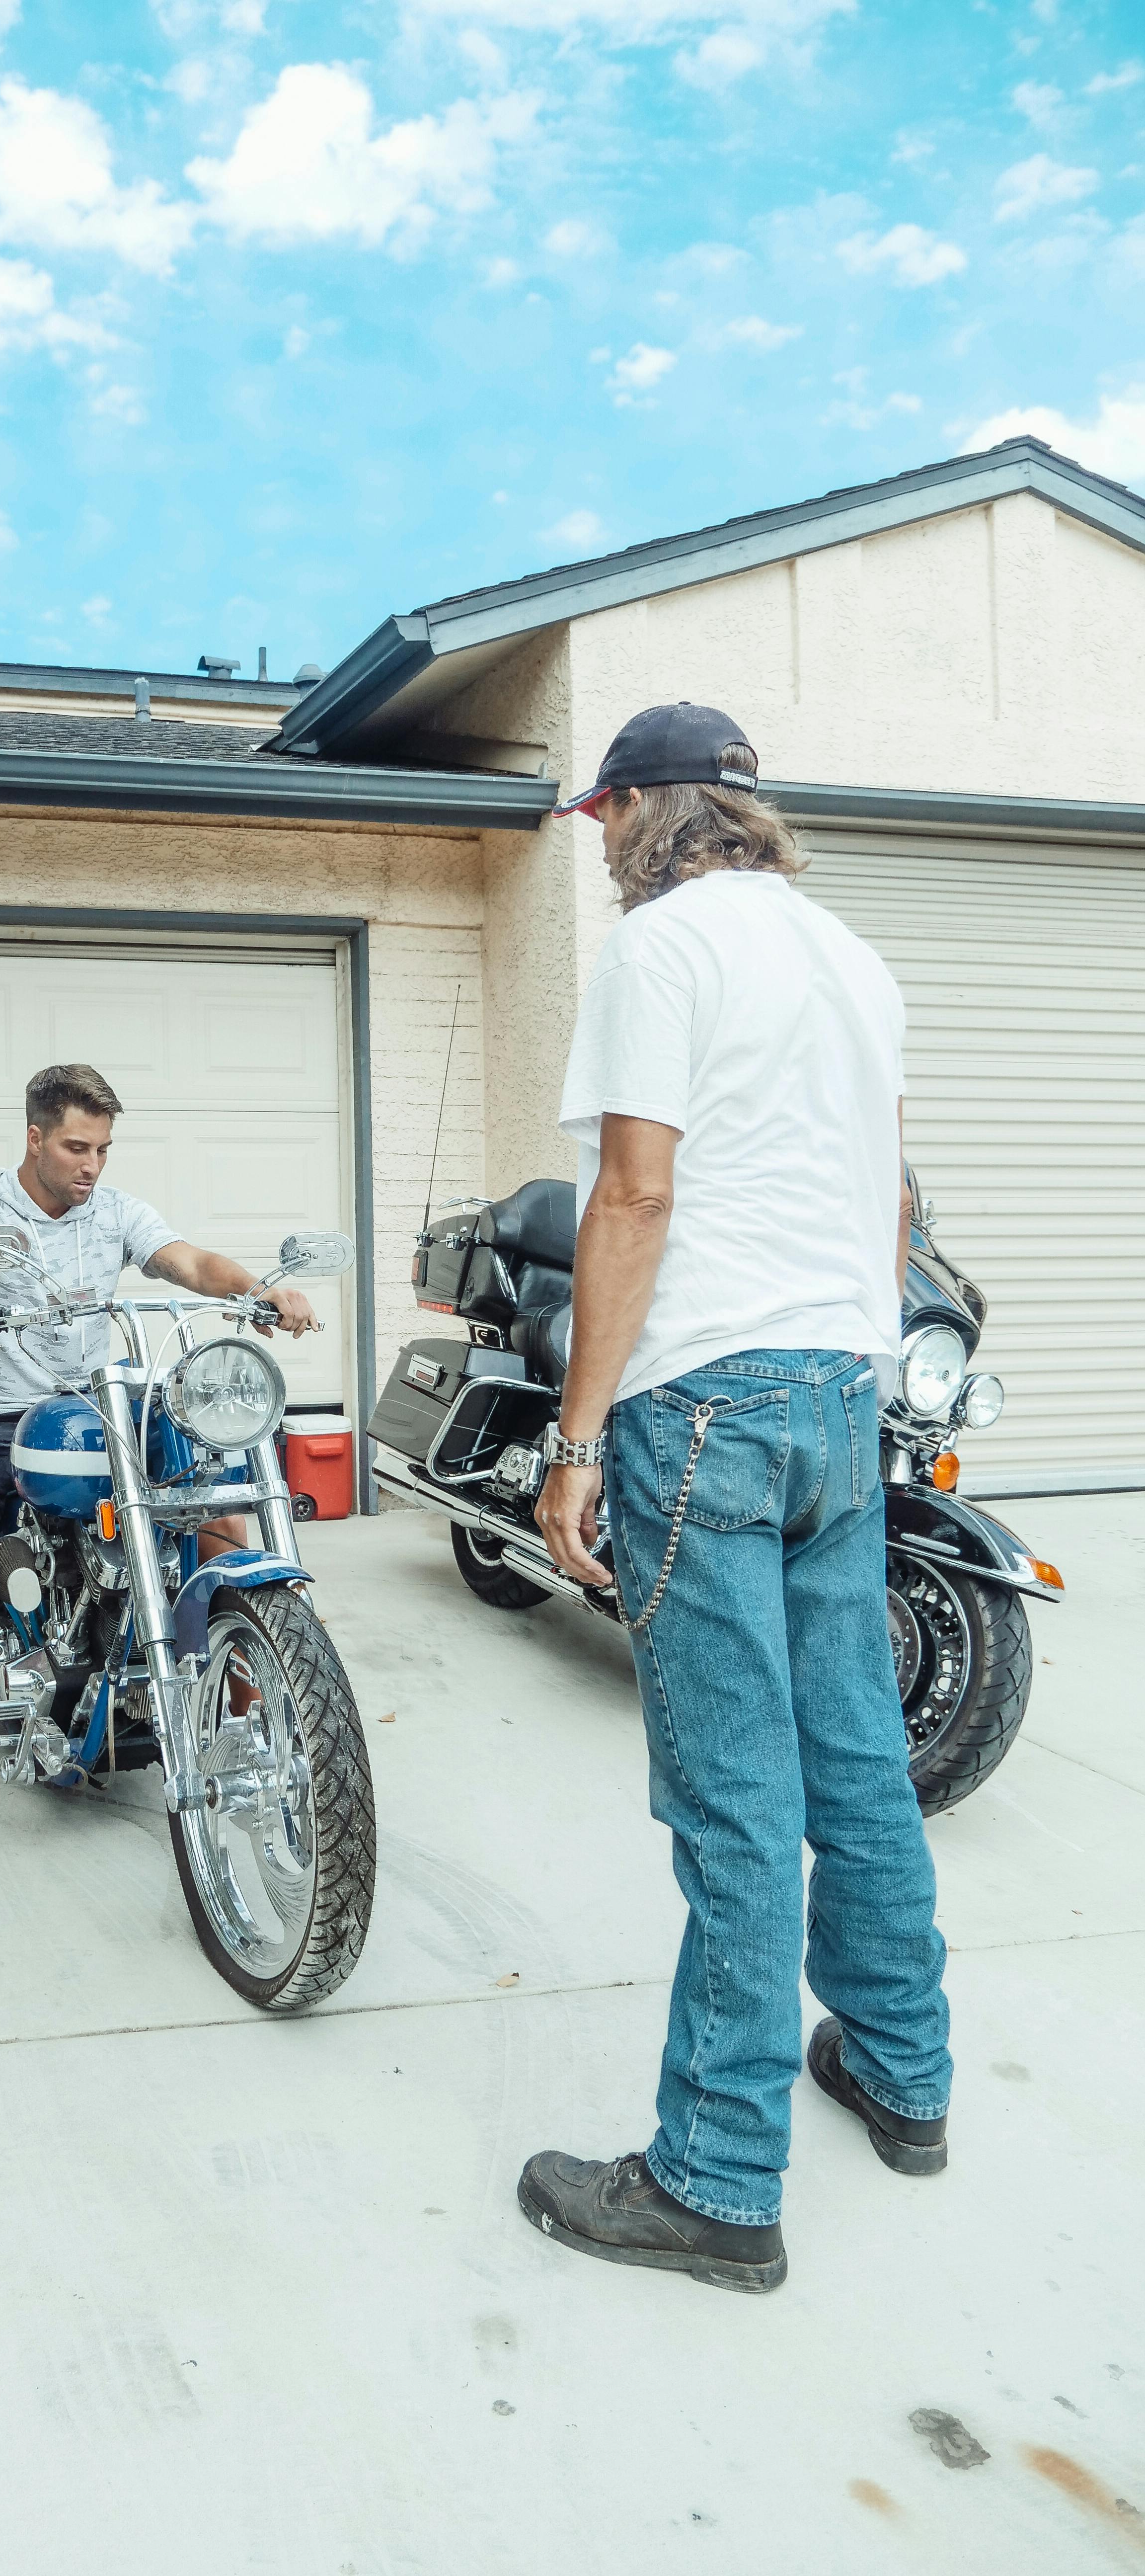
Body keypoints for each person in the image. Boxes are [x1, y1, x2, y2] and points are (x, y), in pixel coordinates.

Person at [515, 702, 951, 2296]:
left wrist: (576, 1442)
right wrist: (856, 1357)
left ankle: (713, 2179)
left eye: (602, 818)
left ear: (643, 810)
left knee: (736, 1800)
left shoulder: (662, 949)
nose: (600, 846)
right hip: (839, 1390)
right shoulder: (852, 957)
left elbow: (635, 1194)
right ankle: (901, 2069)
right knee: (858, 1757)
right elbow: (891, 1197)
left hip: (705, 1398)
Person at [0, 1061, 316, 1836]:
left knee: (221, 1521)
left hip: (97, 1408)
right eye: (75, 1148)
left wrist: (255, 1291)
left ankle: (246, 1734)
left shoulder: (115, 1212)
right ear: (35, 1139)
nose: (91, 1166)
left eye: (101, 1150)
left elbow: (188, 1261)